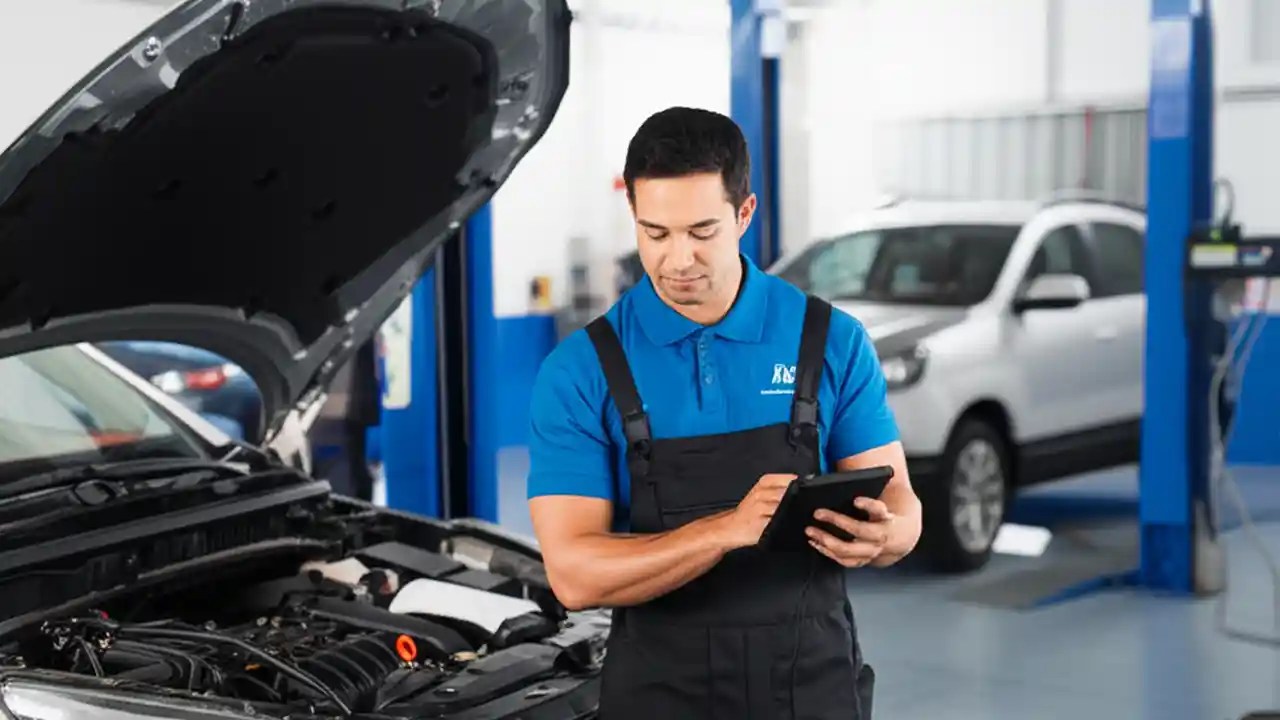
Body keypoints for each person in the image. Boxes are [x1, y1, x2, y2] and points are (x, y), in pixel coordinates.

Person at [526, 106, 922, 719]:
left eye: (701, 232)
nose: (678, 259)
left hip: (812, 690)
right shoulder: (582, 371)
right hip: (661, 698)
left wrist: (886, 535)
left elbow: (903, 511)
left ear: (744, 214)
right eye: (655, 233)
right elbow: (575, 575)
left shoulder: (830, 340)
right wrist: (724, 530)